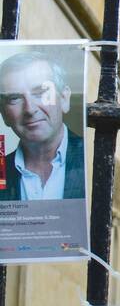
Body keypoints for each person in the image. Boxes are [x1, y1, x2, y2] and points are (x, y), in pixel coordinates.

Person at [0, 50, 84, 201]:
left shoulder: (91, 156)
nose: (30, 109)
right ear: (4, 114)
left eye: (41, 92)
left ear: (64, 99)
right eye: (14, 98)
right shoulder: (2, 171)